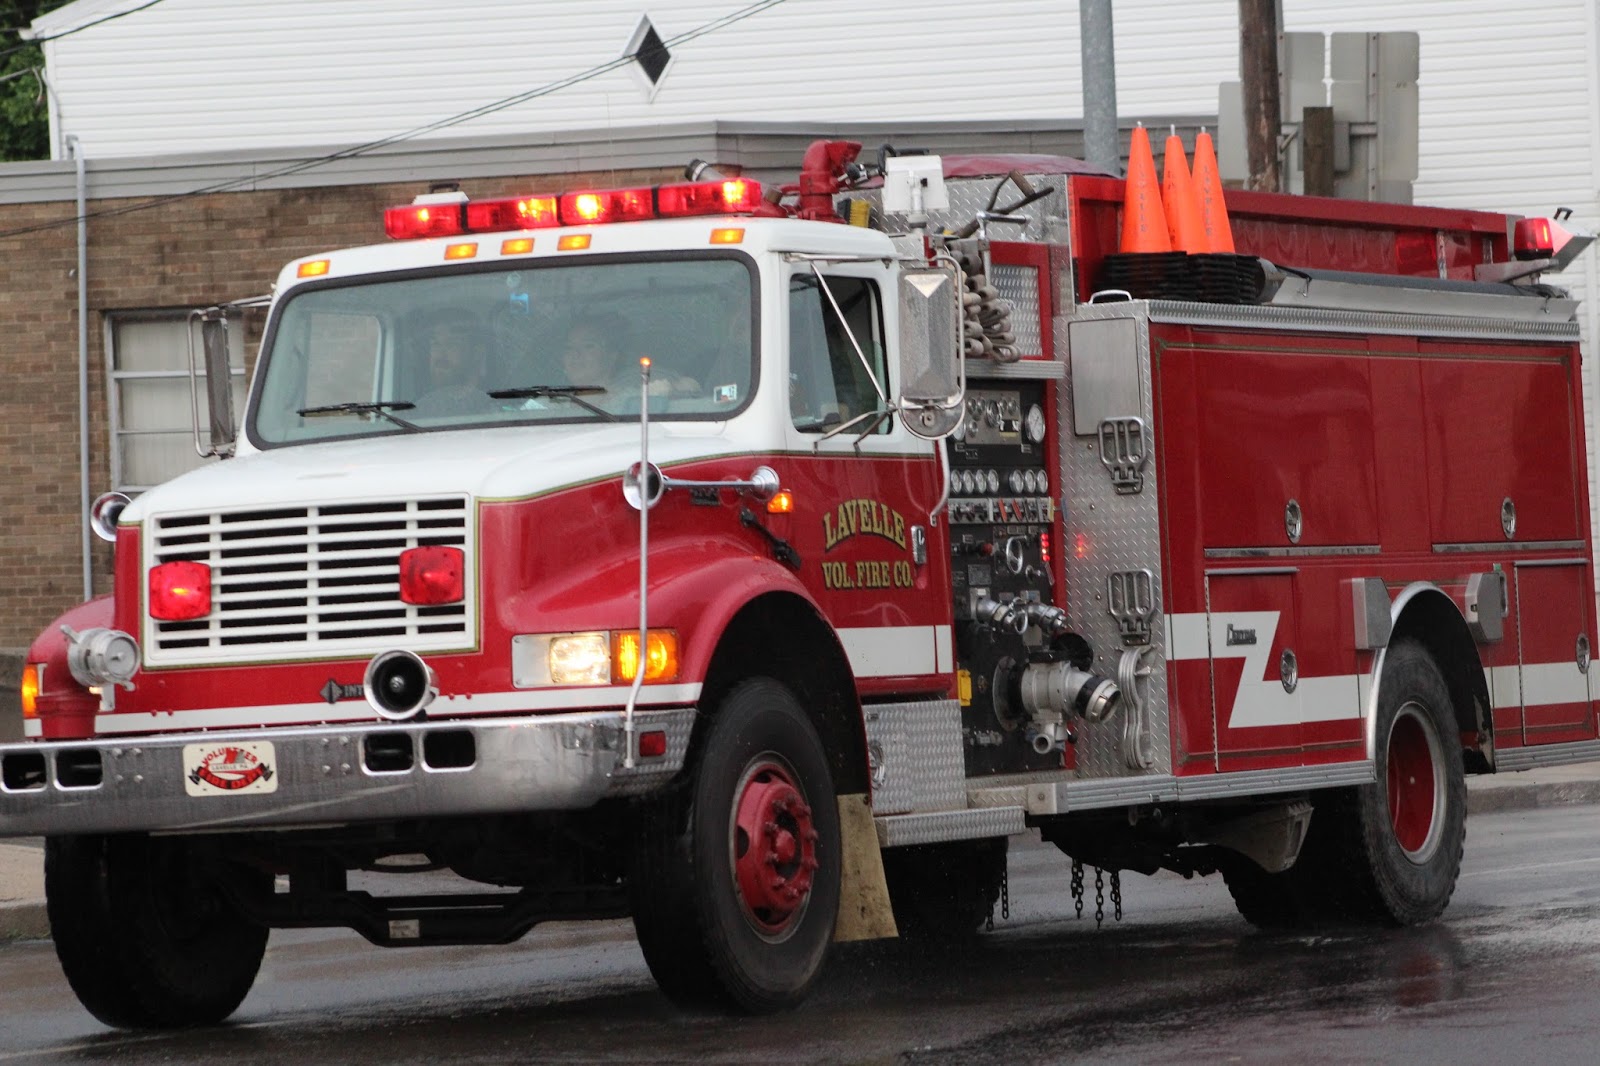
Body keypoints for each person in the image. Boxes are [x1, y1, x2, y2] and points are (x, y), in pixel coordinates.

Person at [561, 312, 696, 409]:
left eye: (588, 346)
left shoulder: (637, 400)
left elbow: (689, 393)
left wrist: (677, 389)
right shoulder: (550, 406)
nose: (576, 354)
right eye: (569, 348)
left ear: (612, 356)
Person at [415, 311, 489, 416]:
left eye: (452, 344)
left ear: (477, 353)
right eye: (435, 344)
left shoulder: (497, 408)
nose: (440, 355)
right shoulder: (418, 412)